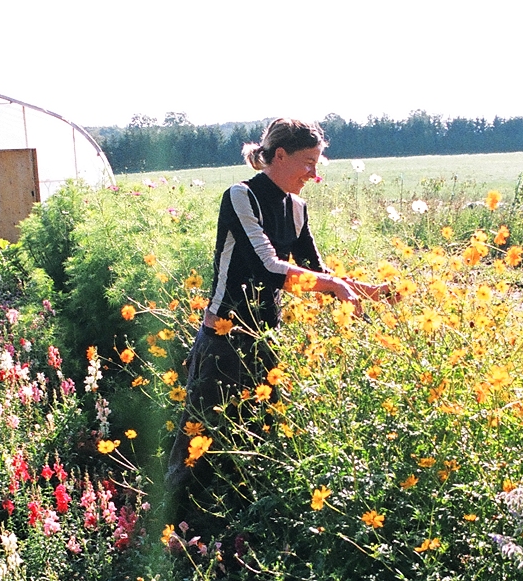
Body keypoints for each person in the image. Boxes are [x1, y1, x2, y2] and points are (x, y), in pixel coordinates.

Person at [164, 118, 385, 497]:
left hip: (267, 340)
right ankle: (171, 528)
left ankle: (235, 526)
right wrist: (334, 285)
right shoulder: (240, 196)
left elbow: (316, 272)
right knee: (198, 441)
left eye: (318, 164)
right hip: (224, 339)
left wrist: (368, 291)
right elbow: (268, 266)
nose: (314, 175)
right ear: (279, 156)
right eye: (308, 163)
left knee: (259, 436)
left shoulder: (297, 209)